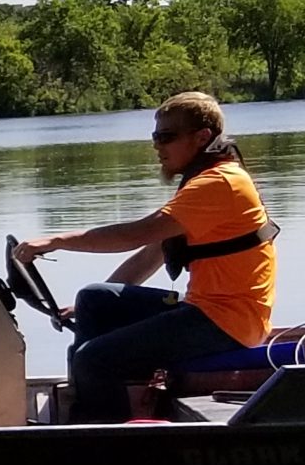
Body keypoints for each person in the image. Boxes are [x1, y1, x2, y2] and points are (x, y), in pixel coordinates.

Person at [14, 91, 278, 422]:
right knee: (95, 299)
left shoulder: (220, 183)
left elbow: (136, 233)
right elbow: (150, 253)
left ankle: (105, 439)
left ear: (202, 137)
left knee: (94, 359)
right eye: (155, 136)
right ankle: (93, 403)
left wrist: (56, 240)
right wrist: (86, 312)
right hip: (206, 308)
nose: (157, 146)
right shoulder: (203, 180)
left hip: (227, 322)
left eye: (167, 137)